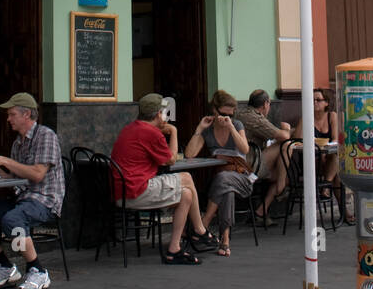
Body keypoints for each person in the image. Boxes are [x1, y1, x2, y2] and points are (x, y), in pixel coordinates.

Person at [0, 92, 65, 289]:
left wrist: (5, 161)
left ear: (26, 115)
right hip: (23, 198)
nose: (8, 119)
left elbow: (38, 174)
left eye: (12, 114)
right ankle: (6, 266)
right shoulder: (18, 143)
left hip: (45, 201)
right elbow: (18, 180)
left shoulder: (46, 136)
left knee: (12, 220)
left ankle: (38, 270)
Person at [110, 92, 218, 263]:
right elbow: (171, 159)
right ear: (157, 114)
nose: (165, 116)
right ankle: (200, 230)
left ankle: (174, 250)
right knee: (187, 177)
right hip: (136, 192)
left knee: (186, 195)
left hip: (123, 193)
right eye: (164, 112)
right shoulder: (151, 133)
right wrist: (173, 132)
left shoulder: (130, 128)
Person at [187, 91, 251, 257]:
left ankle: (204, 223)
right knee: (226, 190)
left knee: (224, 180)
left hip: (243, 176)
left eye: (230, 114)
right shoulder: (208, 130)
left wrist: (230, 126)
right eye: (223, 114)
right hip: (221, 181)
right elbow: (190, 154)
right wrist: (199, 129)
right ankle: (225, 240)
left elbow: (245, 149)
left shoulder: (236, 125)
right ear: (214, 110)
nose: (226, 118)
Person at [296, 87, 353, 224]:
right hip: (312, 163)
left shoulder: (332, 116)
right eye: (312, 100)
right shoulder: (307, 117)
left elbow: (335, 139)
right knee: (336, 174)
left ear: (326, 102)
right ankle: (343, 212)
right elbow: (297, 139)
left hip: (327, 160)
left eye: (318, 100)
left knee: (335, 161)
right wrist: (304, 120)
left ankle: (327, 186)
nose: (314, 102)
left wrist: (325, 147)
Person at [235, 89, 292, 222]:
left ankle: (261, 211)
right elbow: (283, 136)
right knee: (287, 145)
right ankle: (281, 187)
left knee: (280, 175)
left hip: (238, 161)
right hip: (248, 165)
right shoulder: (254, 117)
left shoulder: (241, 113)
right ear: (266, 104)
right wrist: (287, 128)